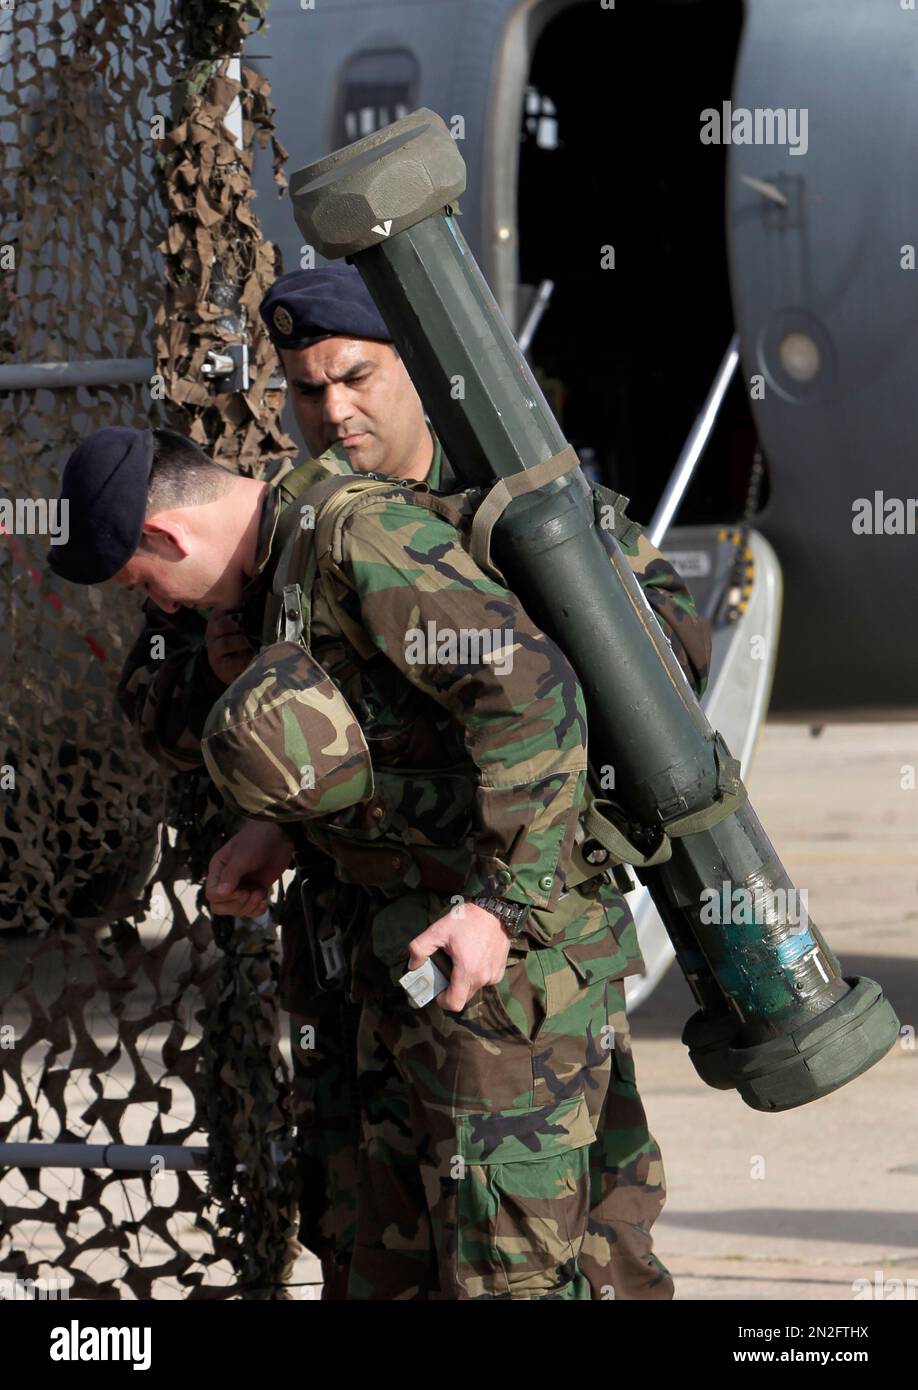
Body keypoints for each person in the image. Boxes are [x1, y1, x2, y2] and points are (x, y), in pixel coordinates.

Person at [65, 266, 710, 1298]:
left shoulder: (380, 528)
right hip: (388, 959)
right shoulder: (293, 539)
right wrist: (284, 827)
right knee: (393, 1251)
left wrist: (502, 904)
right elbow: (376, 740)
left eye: (356, 377)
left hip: (500, 961)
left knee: (536, 1265)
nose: (334, 410)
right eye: (309, 390)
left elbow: (535, 695)